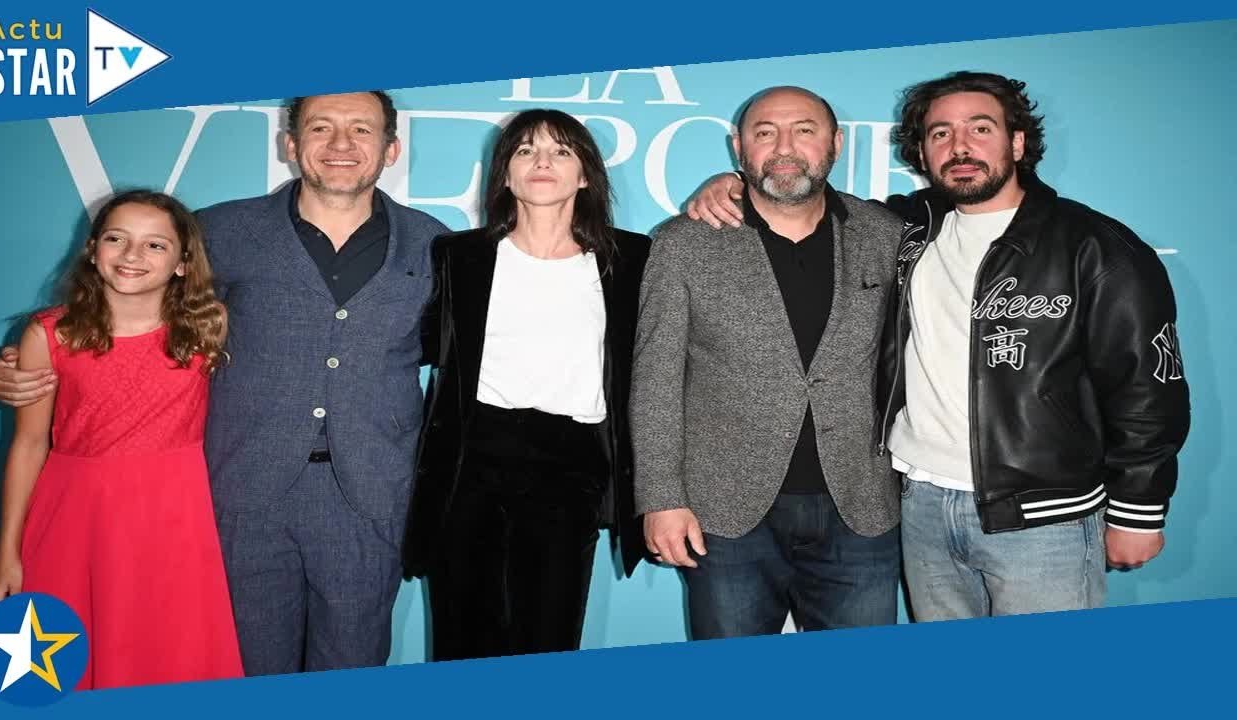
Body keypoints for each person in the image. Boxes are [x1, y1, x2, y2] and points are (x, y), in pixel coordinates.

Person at [684, 71, 1191, 620]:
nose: (961, 147)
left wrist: (1139, 509)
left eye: (980, 128)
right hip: (920, 507)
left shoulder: (1094, 247)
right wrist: (734, 182)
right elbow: (797, 196)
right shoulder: (908, 227)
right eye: (941, 133)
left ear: (1017, 142)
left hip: (1044, 518)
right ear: (922, 151)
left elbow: (1147, 385)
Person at [0, 91, 450, 674]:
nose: (340, 144)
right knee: (245, 667)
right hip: (239, 494)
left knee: (353, 668)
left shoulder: (435, 245)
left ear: (391, 148)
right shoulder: (221, 232)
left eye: (361, 130)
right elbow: (136, 320)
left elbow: (460, 357)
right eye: (320, 127)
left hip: (367, 498)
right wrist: (29, 365)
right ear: (290, 144)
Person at [631, 87, 903, 641]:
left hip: (861, 508)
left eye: (804, 129)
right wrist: (661, 498)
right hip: (725, 515)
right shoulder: (683, 243)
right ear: (738, 148)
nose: (784, 147)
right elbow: (655, 381)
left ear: (835, 142)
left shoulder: (887, 235)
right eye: (764, 132)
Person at [401, 109, 649, 660]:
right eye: (525, 150)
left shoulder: (630, 259)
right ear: (504, 174)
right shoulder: (458, 257)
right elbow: (414, 345)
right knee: (462, 640)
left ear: (585, 175)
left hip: (572, 468)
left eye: (561, 151)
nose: (542, 162)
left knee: (549, 639)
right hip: (471, 463)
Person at [0, 190, 242, 690]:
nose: (131, 256)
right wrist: (7, 553)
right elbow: (28, 446)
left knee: (167, 657)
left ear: (184, 263)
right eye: (117, 238)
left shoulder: (208, 329)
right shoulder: (50, 335)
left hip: (175, 525)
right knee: (54, 670)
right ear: (92, 249)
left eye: (155, 246)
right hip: (73, 523)